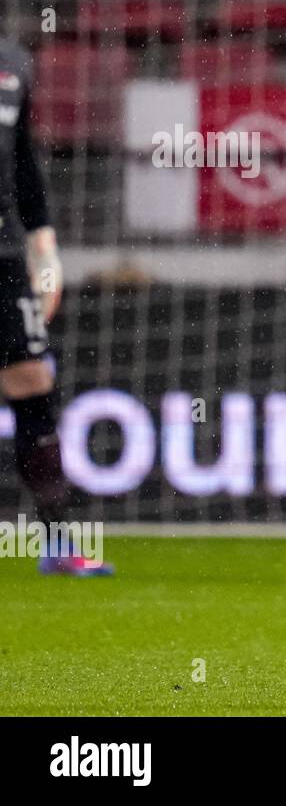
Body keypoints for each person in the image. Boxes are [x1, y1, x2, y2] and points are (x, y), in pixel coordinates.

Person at [0, 36, 112, 576]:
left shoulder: (15, 63)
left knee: (31, 380)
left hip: (1, 253)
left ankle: (59, 544)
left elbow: (22, 158)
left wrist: (43, 243)